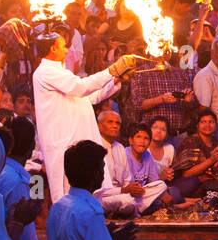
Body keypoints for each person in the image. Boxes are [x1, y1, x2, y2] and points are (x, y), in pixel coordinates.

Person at [33, 26, 140, 202]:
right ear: (53, 48)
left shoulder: (61, 72)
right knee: (68, 195)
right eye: (63, 45)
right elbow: (81, 88)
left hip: (79, 141)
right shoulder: (47, 72)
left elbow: (91, 96)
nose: (67, 49)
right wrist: (111, 70)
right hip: (65, 143)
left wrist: (116, 78)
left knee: (89, 194)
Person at [172, 108, 218, 198]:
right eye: (203, 122)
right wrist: (211, 160)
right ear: (197, 126)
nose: (207, 125)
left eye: (211, 122)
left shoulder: (217, 143)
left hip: (212, 183)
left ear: (216, 125)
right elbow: (186, 174)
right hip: (191, 183)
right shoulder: (190, 142)